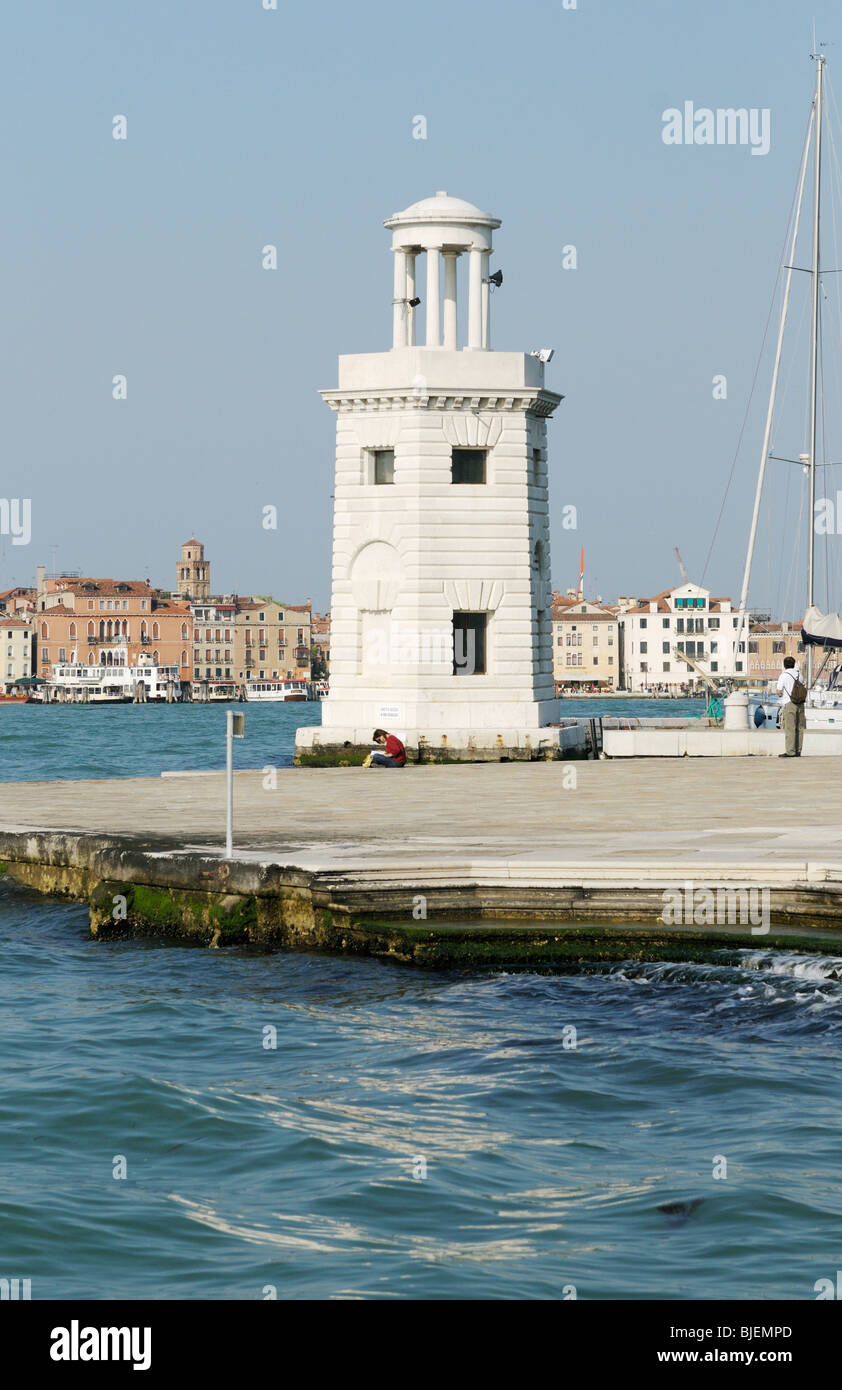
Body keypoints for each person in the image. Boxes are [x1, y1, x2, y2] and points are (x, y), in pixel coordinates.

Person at [776, 655, 806, 757]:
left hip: (790, 703)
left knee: (790, 727)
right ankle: (798, 750)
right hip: (800, 703)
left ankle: (790, 751)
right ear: (794, 665)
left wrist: (781, 693)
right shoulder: (799, 675)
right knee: (800, 728)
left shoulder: (783, 676)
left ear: (784, 665)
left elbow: (779, 691)